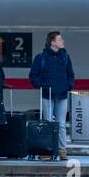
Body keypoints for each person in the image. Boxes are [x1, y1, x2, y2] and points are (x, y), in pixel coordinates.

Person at [29, 30, 75, 160]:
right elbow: (33, 75)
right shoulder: (41, 57)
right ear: (53, 42)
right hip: (47, 95)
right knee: (47, 123)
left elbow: (70, 74)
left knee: (61, 124)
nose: (63, 41)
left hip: (62, 95)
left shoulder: (65, 57)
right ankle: (46, 150)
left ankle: (62, 150)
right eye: (60, 39)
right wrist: (41, 85)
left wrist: (68, 85)